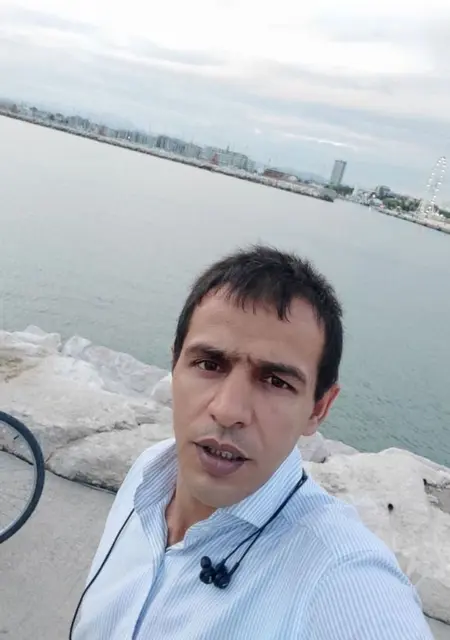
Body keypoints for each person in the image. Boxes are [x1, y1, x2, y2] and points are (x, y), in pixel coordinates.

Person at [71, 245, 433, 639]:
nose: (228, 410)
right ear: (174, 365)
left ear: (318, 409)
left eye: (276, 381)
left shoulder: (342, 581)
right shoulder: (148, 472)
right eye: (209, 364)